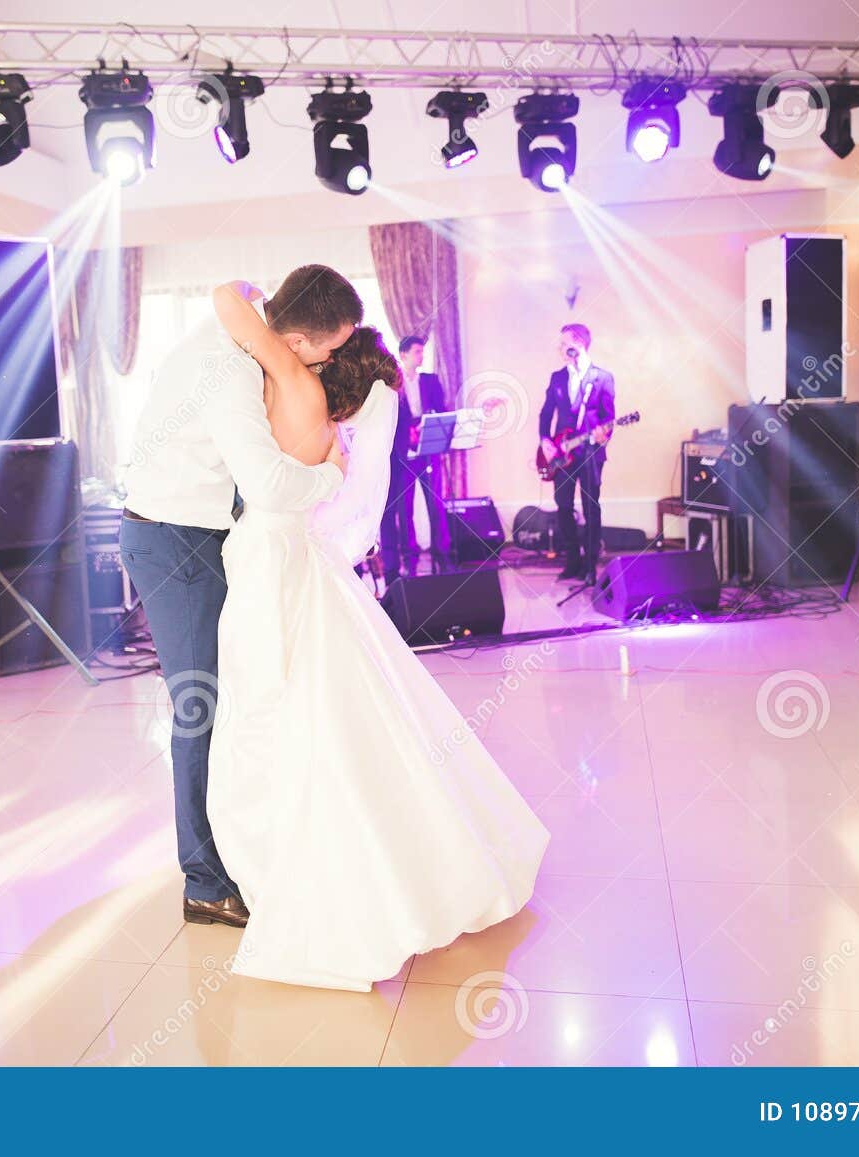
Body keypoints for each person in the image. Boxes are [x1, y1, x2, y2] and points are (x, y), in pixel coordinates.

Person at [204, 282, 547, 992]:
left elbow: (225, 301)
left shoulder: (286, 377)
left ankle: (303, 868)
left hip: (268, 558)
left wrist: (251, 294)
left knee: (269, 701)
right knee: (321, 701)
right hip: (295, 556)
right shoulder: (306, 394)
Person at [119, 265, 358, 929]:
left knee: (238, 699)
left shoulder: (241, 333)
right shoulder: (230, 372)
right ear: (299, 342)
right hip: (174, 541)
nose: (328, 362)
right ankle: (204, 880)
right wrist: (332, 476)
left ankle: (244, 847)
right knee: (200, 706)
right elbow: (268, 484)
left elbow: (238, 290)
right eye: (329, 350)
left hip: (204, 538)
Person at [538, 323, 616, 582]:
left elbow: (609, 418)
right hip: (562, 454)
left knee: (591, 507)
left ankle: (590, 565)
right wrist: (545, 440)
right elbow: (546, 413)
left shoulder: (602, 377)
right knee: (563, 506)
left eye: (565, 344)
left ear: (579, 344)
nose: (560, 349)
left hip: (591, 453)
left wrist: (604, 435)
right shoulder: (557, 377)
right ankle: (572, 560)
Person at [379, 335, 449, 583]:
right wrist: (407, 431)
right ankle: (410, 557)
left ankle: (443, 555)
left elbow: (442, 411)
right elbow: (388, 418)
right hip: (402, 453)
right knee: (404, 507)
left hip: (428, 450)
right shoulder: (391, 383)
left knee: (435, 504)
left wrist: (425, 426)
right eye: (418, 352)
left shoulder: (430, 380)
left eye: (422, 351)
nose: (422, 356)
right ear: (404, 354)